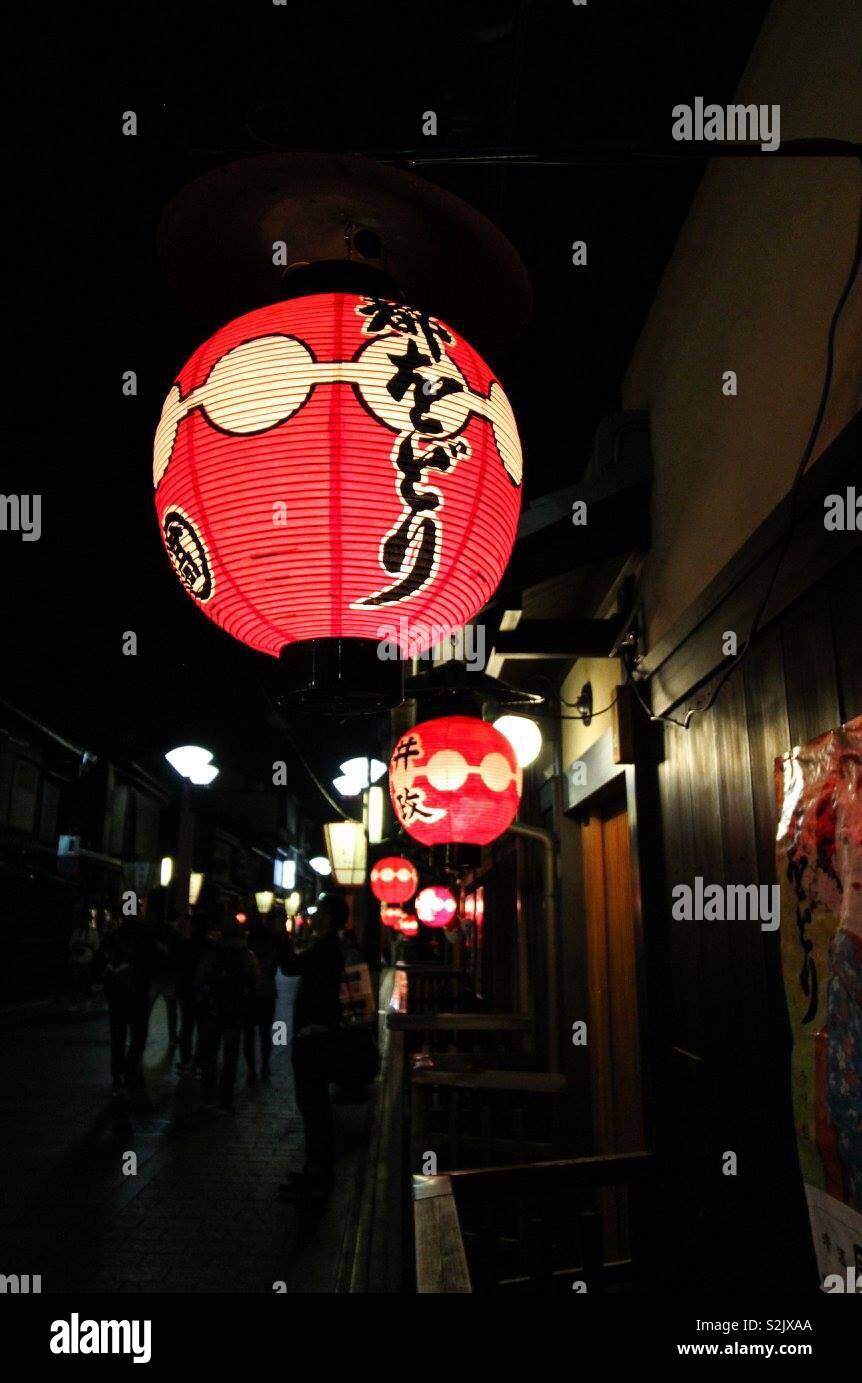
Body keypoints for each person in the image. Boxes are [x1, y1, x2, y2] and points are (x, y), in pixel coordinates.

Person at [278, 892, 348, 1198]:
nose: (314, 916)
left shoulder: (326, 947)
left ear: (329, 917)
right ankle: (315, 1169)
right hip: (319, 1035)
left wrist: (279, 933)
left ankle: (317, 1173)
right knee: (314, 1105)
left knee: (313, 1105)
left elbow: (291, 965)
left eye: (319, 912)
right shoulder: (331, 947)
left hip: (314, 1038)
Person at [195, 910, 259, 1112]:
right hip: (235, 1010)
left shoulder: (212, 953)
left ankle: (207, 1095)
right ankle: (226, 1098)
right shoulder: (246, 954)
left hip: (214, 1010)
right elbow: (255, 980)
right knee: (231, 1056)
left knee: (210, 1055)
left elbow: (199, 980)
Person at [102, 916, 155, 1093]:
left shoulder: (114, 938)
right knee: (138, 1037)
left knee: (117, 1038)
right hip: (137, 996)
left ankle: (117, 1074)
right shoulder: (145, 940)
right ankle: (129, 1072)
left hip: (117, 997)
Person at [243, 913, 280, 1083]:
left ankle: (251, 1069)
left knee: (249, 1034)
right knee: (265, 1034)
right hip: (267, 994)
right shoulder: (272, 950)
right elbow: (273, 970)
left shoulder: (247, 952)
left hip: (250, 995)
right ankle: (264, 1065)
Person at [175, 913, 207, 1076]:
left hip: (187, 991)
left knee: (187, 1027)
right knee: (202, 1029)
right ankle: (199, 1061)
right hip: (202, 993)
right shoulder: (209, 946)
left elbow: (178, 968)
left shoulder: (184, 945)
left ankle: (187, 1060)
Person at [148, 916, 181, 1045]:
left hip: (155, 975)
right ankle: (172, 1037)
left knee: (147, 1007)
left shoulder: (152, 936)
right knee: (171, 1008)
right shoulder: (175, 936)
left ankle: (140, 1034)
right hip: (169, 975)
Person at [68, 908, 101, 1007]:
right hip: (77, 960)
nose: (83, 922)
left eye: (86, 920)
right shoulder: (77, 932)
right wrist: (77, 945)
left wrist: (87, 945)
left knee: (86, 982)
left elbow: (96, 947)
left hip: (87, 961)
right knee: (76, 983)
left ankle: (87, 1000)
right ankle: (75, 1002)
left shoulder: (93, 933)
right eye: (82, 920)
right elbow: (70, 945)